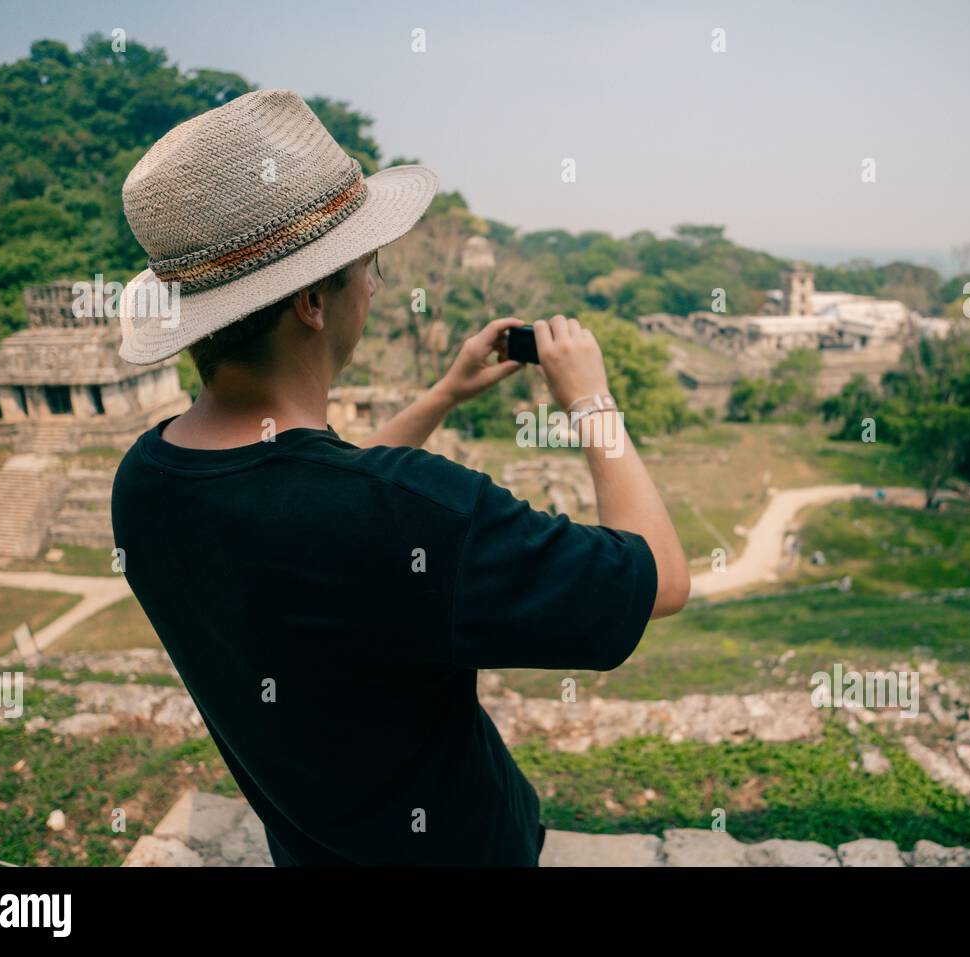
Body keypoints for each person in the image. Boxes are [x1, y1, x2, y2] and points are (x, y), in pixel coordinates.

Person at [110, 89, 689, 866]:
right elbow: (658, 578)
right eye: (368, 266)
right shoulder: (420, 514)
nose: (377, 287)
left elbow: (323, 498)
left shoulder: (144, 486)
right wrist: (591, 400)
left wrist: (443, 394)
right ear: (314, 301)